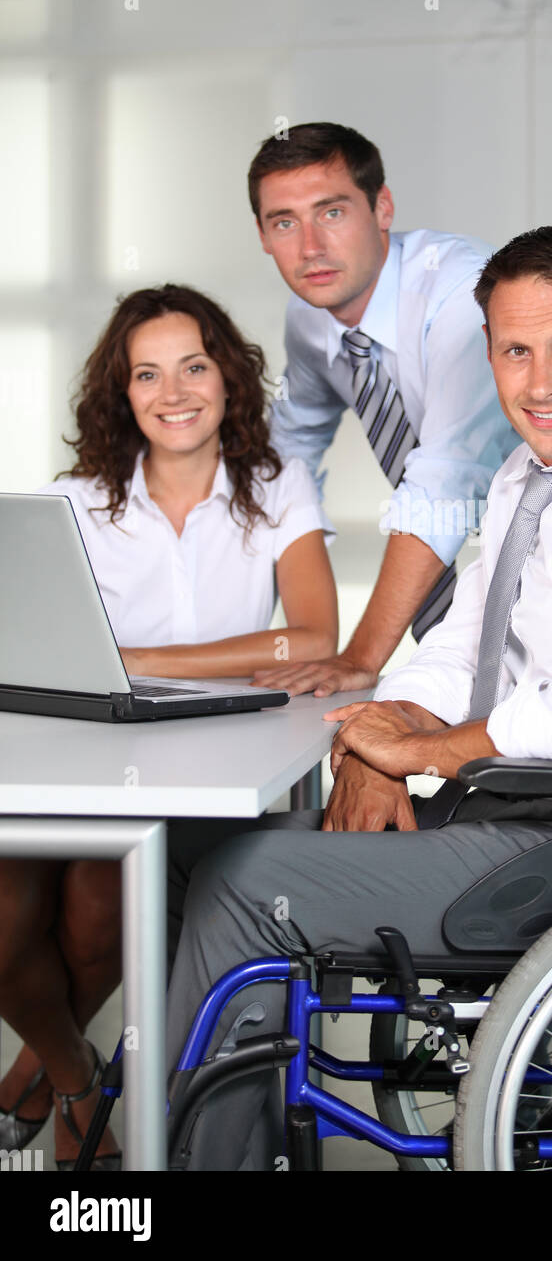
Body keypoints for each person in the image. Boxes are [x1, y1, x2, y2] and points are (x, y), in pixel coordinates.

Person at [164, 225, 552, 1169]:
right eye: (514, 350)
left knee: (245, 887)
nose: (539, 379)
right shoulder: (532, 473)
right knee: (187, 857)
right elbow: (458, 645)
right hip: (501, 808)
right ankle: (228, 1136)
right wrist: (372, 739)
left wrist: (427, 752)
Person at [0, 284, 338, 1168]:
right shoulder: (70, 502)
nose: (174, 391)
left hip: (203, 771)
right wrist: (205, 655)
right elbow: (30, 654)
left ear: (227, 377)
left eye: (193, 365)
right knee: (2, 920)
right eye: (147, 373)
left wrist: (137, 659)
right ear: (123, 391)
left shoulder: (275, 486)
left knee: (94, 908)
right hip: (66, 759)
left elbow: (311, 635)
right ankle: (77, 1077)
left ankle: (48, 1076)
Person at [248, 122, 519, 698]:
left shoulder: (461, 292)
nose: (311, 247)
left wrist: (361, 656)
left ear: (382, 207)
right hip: (471, 590)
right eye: (285, 222)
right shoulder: (310, 314)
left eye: (333, 212)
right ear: (263, 235)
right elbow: (288, 449)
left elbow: (445, 483)